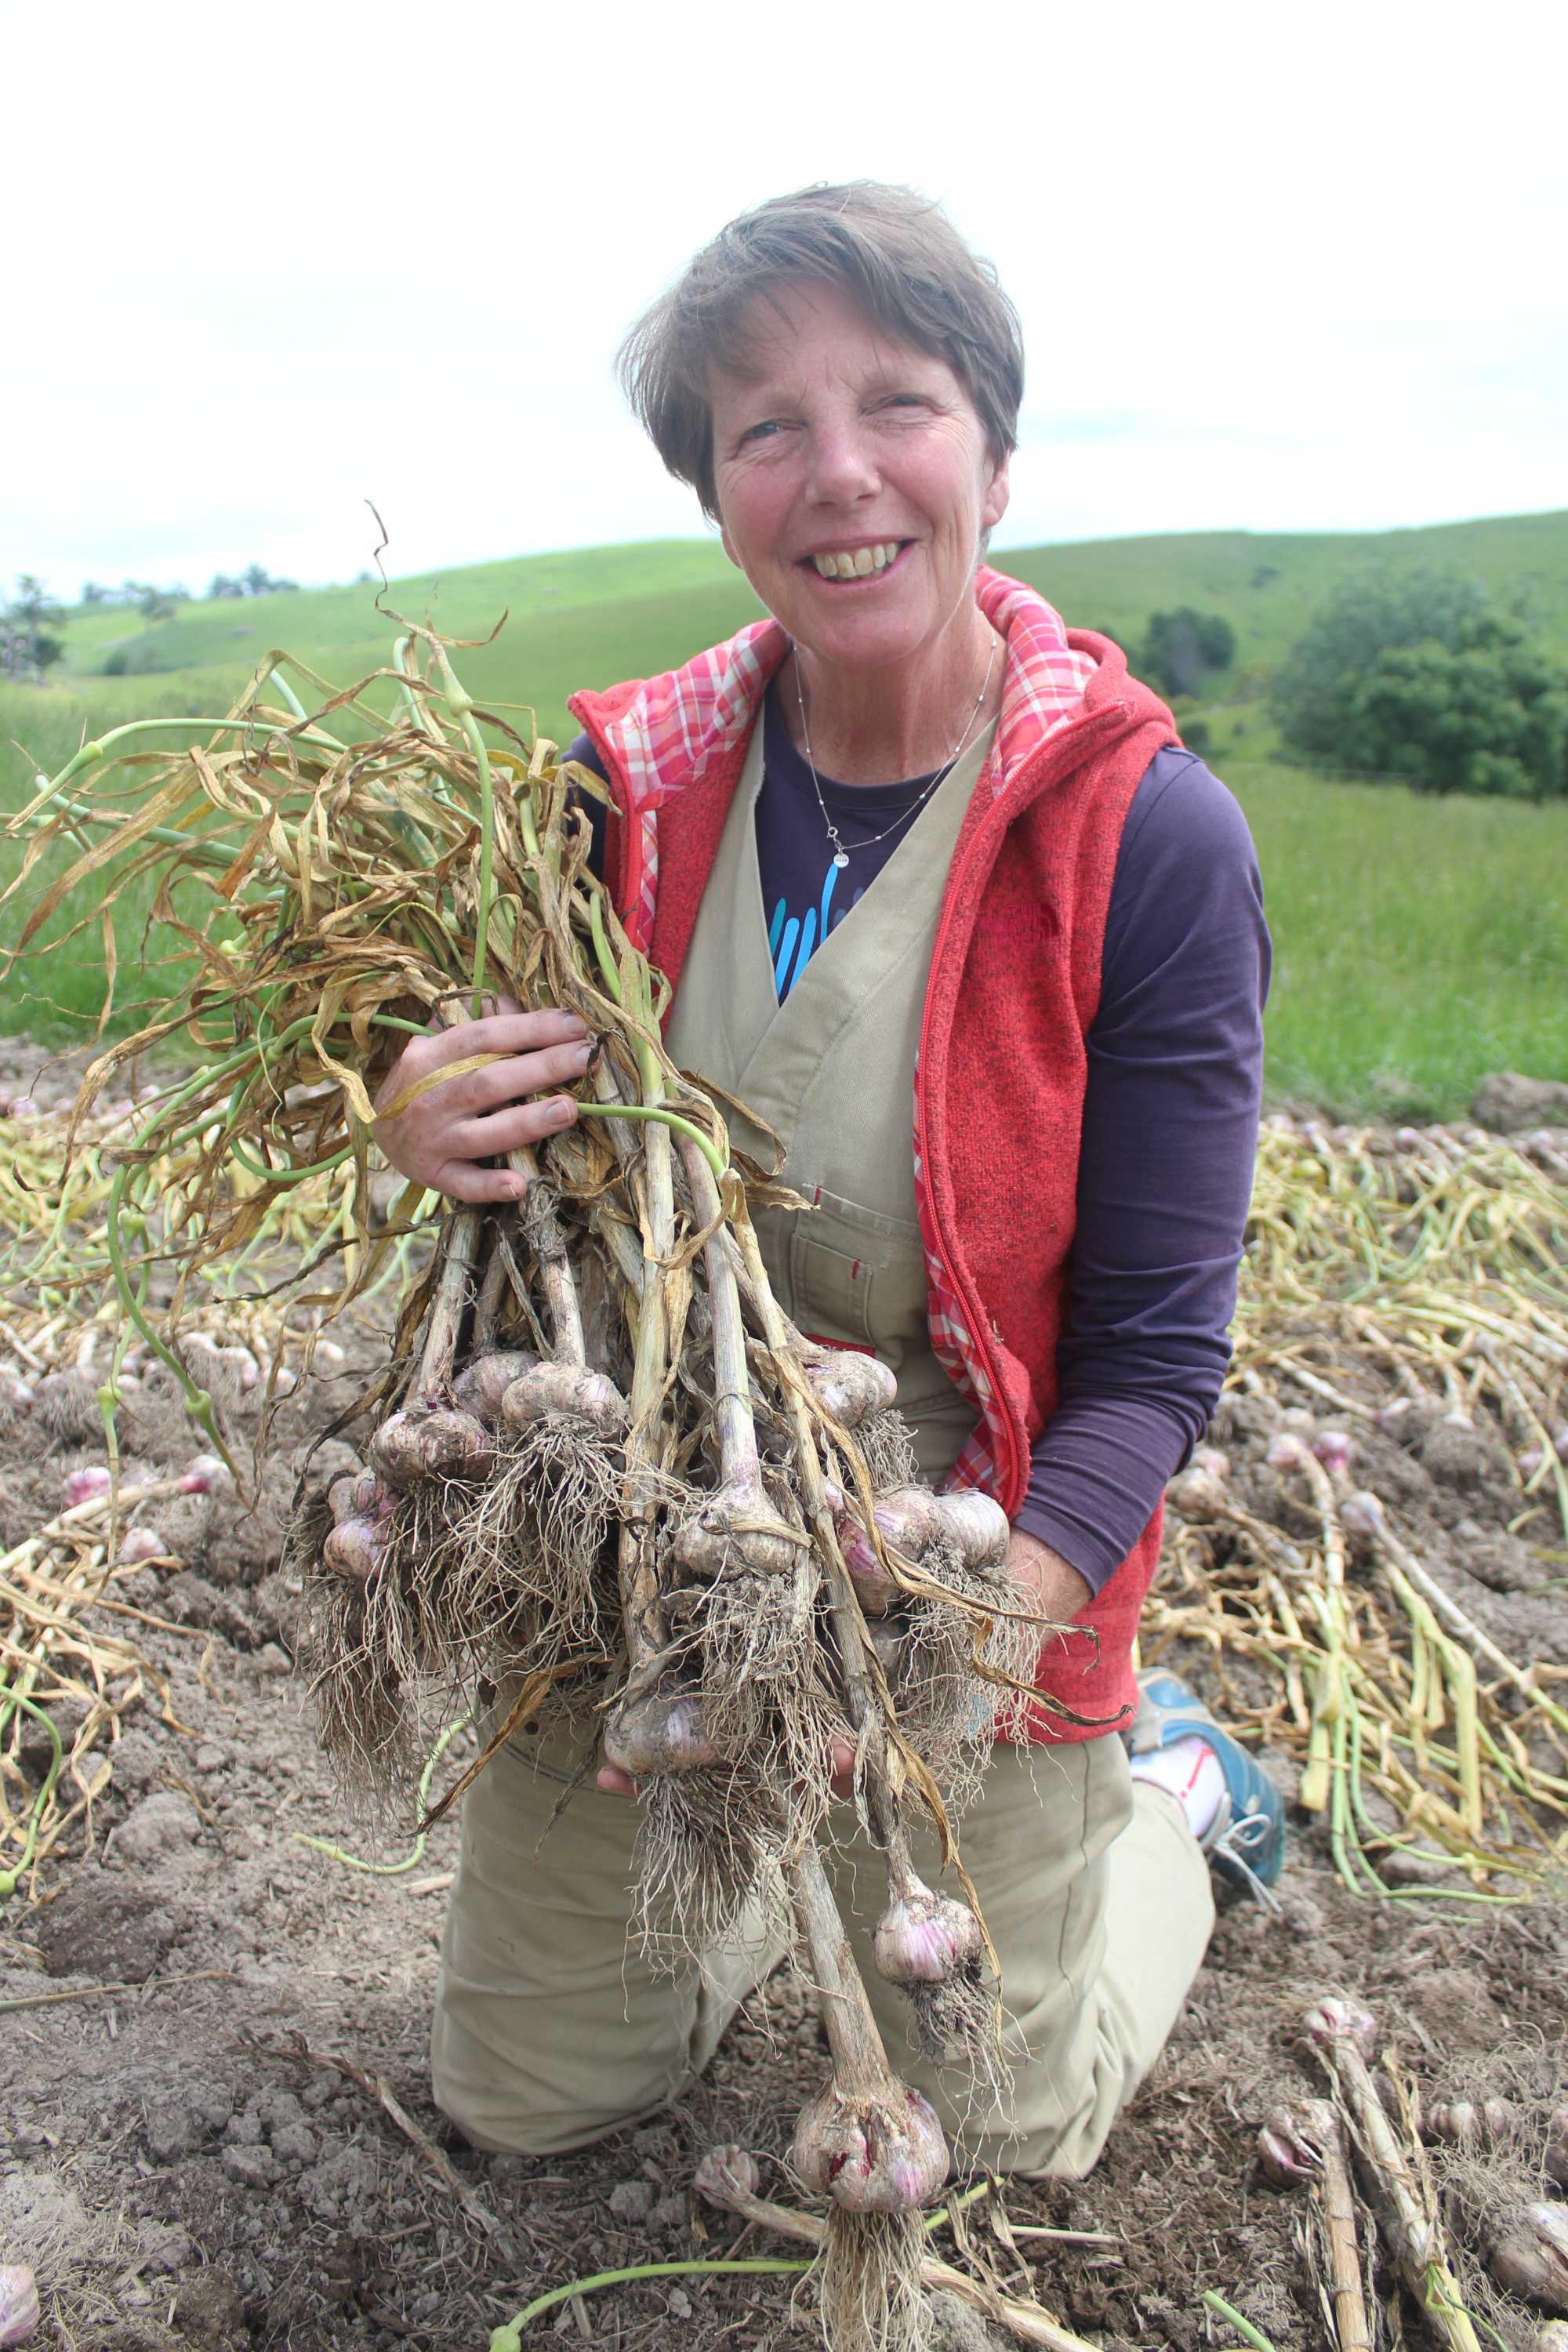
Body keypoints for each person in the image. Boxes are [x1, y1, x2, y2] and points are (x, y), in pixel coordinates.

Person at [369, 181, 1283, 2176]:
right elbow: (482, 1133)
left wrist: (971, 1632)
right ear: (716, 495)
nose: (838, 472)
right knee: (525, 2101)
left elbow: (1151, 1360)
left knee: (1004, 2133)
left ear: (995, 460)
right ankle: (719, 1865)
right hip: (637, 1505)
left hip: (963, 1535)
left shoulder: (1141, 840)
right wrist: (411, 1112)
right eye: (765, 427)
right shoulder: (613, 798)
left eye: (900, 404)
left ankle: (1177, 1806)